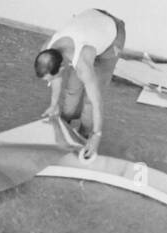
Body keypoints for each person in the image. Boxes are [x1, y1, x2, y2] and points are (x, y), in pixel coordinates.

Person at [34, 9, 126, 158]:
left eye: (50, 78)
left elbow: (97, 102)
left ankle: (84, 135)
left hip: (112, 35)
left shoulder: (82, 60)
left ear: (63, 66)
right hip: (92, 23)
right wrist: (53, 104)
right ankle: (66, 125)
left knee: (91, 98)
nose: (49, 81)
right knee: (72, 90)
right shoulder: (46, 50)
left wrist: (97, 136)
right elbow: (55, 77)